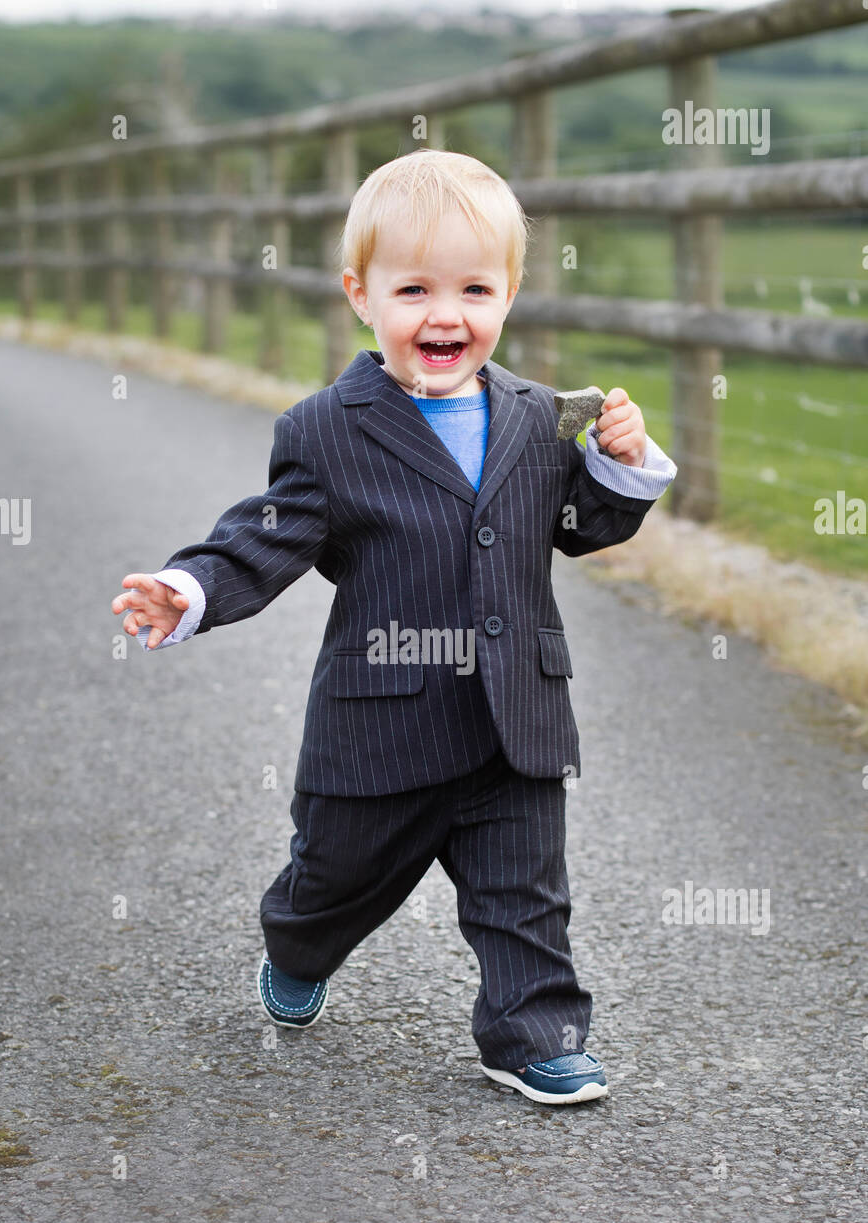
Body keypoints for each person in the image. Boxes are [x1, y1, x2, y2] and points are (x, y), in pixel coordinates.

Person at [111, 149, 676, 1106]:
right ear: (359, 296)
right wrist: (189, 587)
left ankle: (532, 1033)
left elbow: (580, 527)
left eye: (472, 289)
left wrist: (623, 465)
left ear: (509, 295)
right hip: (381, 726)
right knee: (335, 880)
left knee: (525, 895)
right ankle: (296, 945)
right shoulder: (328, 429)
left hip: (514, 721)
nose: (443, 314)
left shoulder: (540, 418)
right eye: (412, 288)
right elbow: (268, 535)